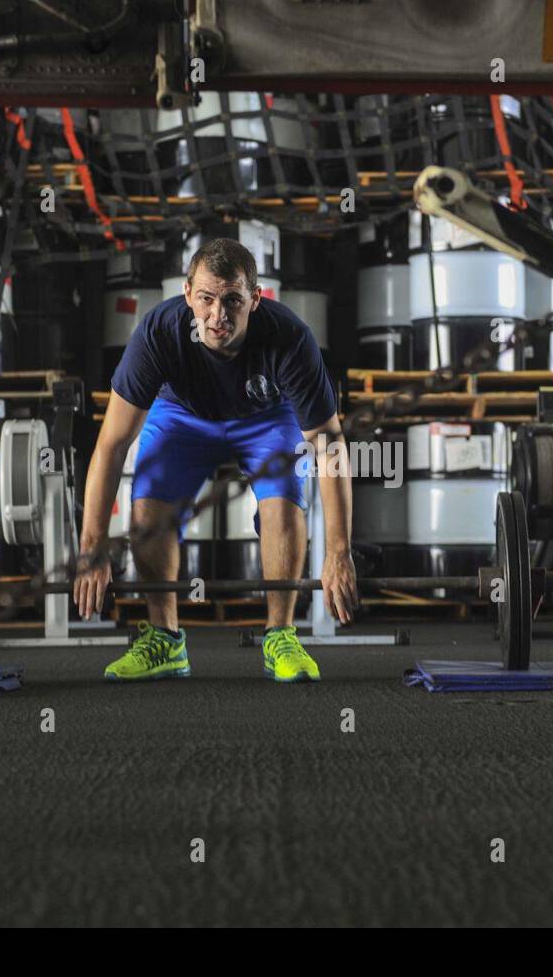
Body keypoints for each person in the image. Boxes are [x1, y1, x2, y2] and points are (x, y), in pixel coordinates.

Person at [74, 238, 357, 682]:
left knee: (283, 504)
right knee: (148, 507)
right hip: (183, 416)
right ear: (187, 294)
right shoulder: (158, 333)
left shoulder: (290, 339)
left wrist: (339, 551)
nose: (217, 315)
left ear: (255, 300)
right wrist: (92, 546)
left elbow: (329, 446)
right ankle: (165, 640)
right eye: (205, 299)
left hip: (265, 417)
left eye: (232, 301)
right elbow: (111, 443)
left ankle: (280, 635)